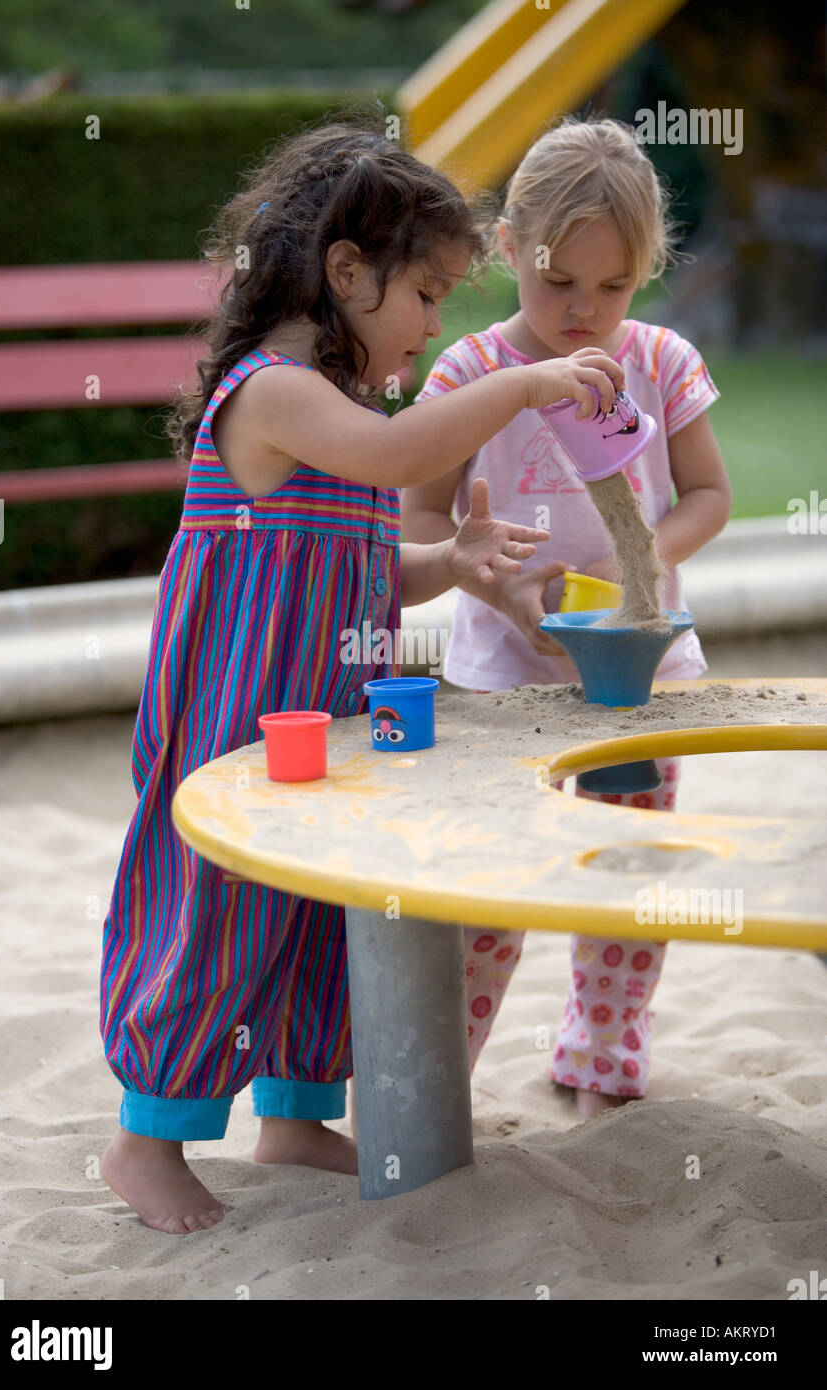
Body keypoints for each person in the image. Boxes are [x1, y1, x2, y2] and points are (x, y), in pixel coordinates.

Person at [99, 117, 627, 1232]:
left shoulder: (335, 408)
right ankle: (144, 1138)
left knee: (318, 909)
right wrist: (524, 388)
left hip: (321, 718)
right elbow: (398, 460)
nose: (435, 326)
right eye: (427, 296)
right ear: (346, 271)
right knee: (218, 910)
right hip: (232, 716)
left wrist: (453, 564)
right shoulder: (275, 390)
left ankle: (292, 1114)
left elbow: (355, 553)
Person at [402, 115, 733, 1121]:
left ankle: (600, 1053)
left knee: (629, 875)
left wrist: (645, 569)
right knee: (494, 887)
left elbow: (705, 494)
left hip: (639, 683)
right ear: (506, 248)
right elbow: (418, 509)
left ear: (645, 272)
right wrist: (492, 583)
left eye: (612, 287)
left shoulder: (661, 364)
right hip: (506, 679)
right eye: (557, 284)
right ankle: (441, 1080)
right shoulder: (467, 375)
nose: (583, 312)